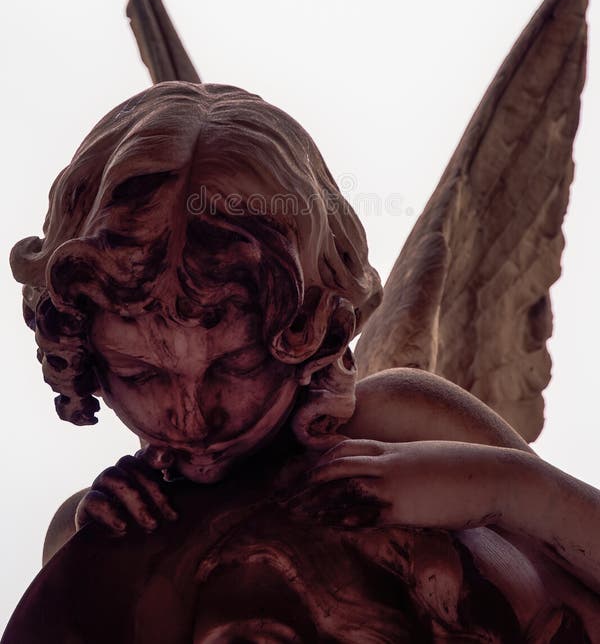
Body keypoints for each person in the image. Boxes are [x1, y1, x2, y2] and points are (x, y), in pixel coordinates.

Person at [11, 81, 600, 639]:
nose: (191, 418)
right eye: (142, 375)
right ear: (82, 354)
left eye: (235, 367)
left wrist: (501, 489)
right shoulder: (92, 525)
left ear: (309, 334)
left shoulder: (395, 418)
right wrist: (111, 568)